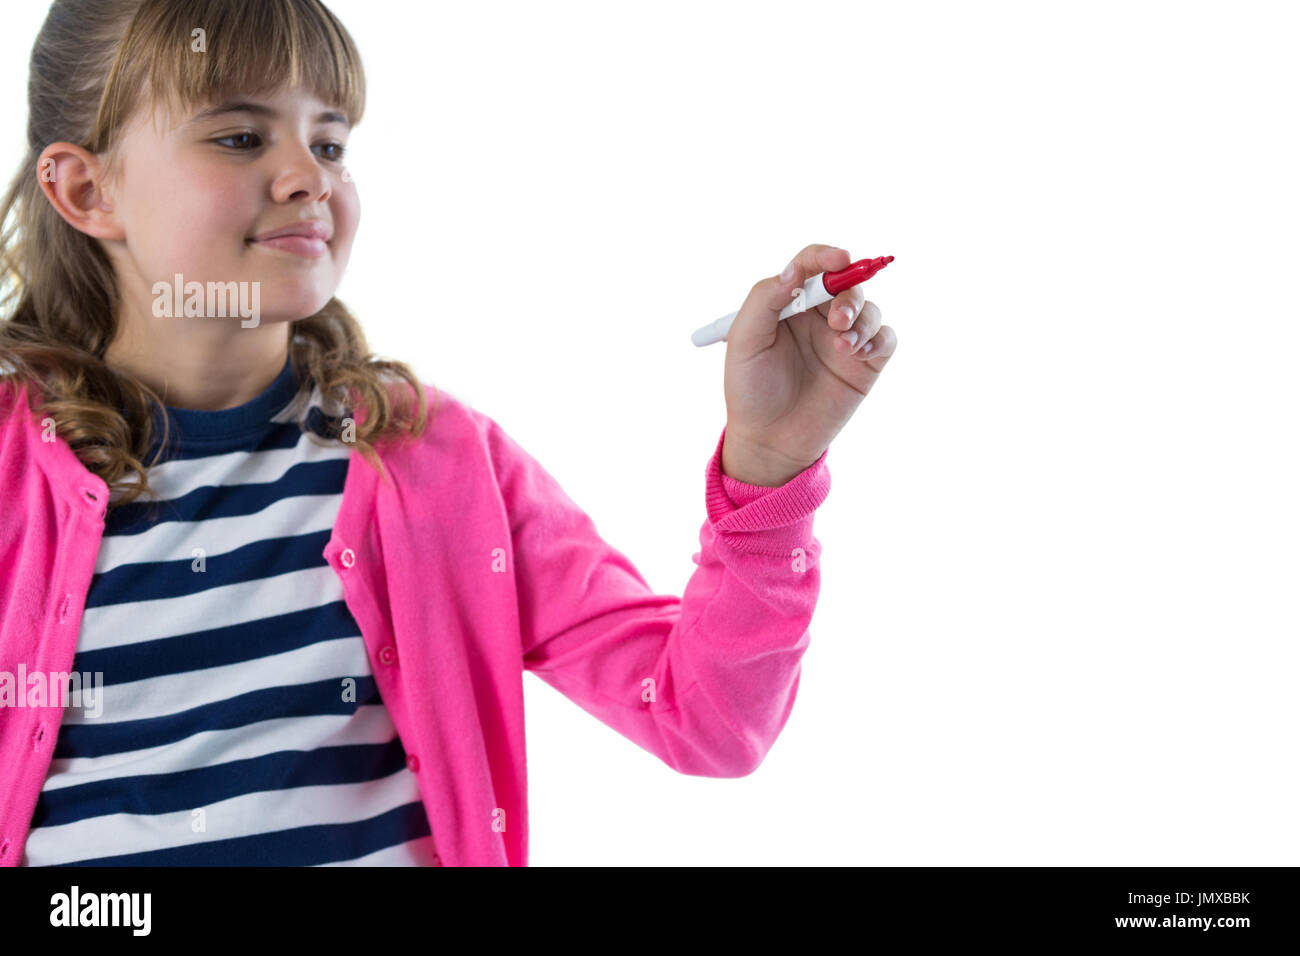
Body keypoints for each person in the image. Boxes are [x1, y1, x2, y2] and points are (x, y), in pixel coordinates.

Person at [0, 0, 895, 867]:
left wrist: (769, 471)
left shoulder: (437, 465)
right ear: (87, 189)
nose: (309, 176)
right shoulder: (13, 475)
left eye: (330, 143)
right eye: (240, 136)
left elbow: (706, 719)